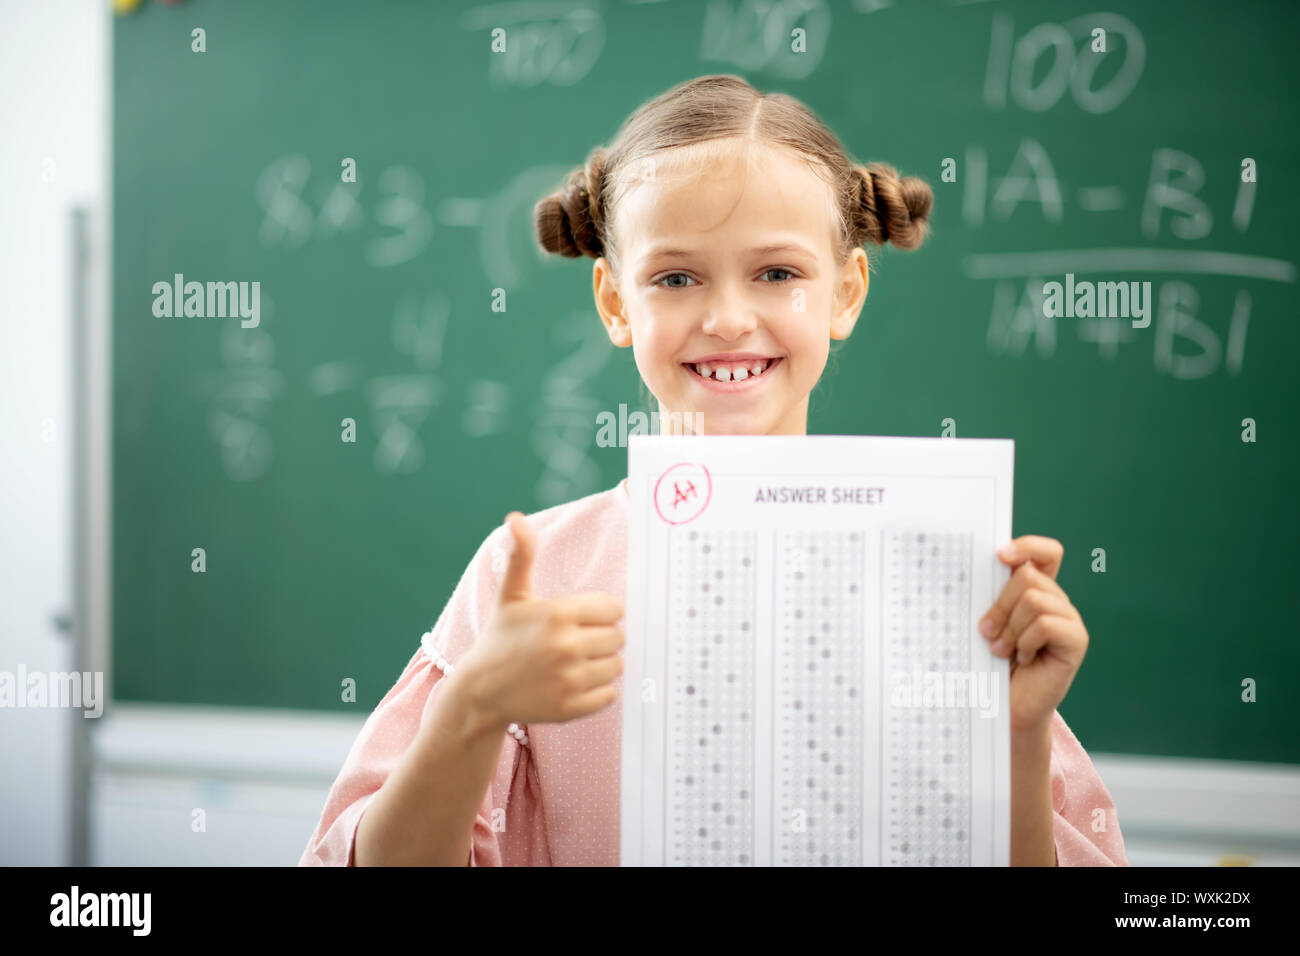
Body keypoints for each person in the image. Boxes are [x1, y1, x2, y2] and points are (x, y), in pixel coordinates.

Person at [298, 74, 1128, 867]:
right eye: (675, 277)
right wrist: (472, 710)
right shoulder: (536, 579)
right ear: (616, 302)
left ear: (845, 293)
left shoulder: (945, 574)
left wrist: (1018, 739)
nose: (729, 318)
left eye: (777, 274)